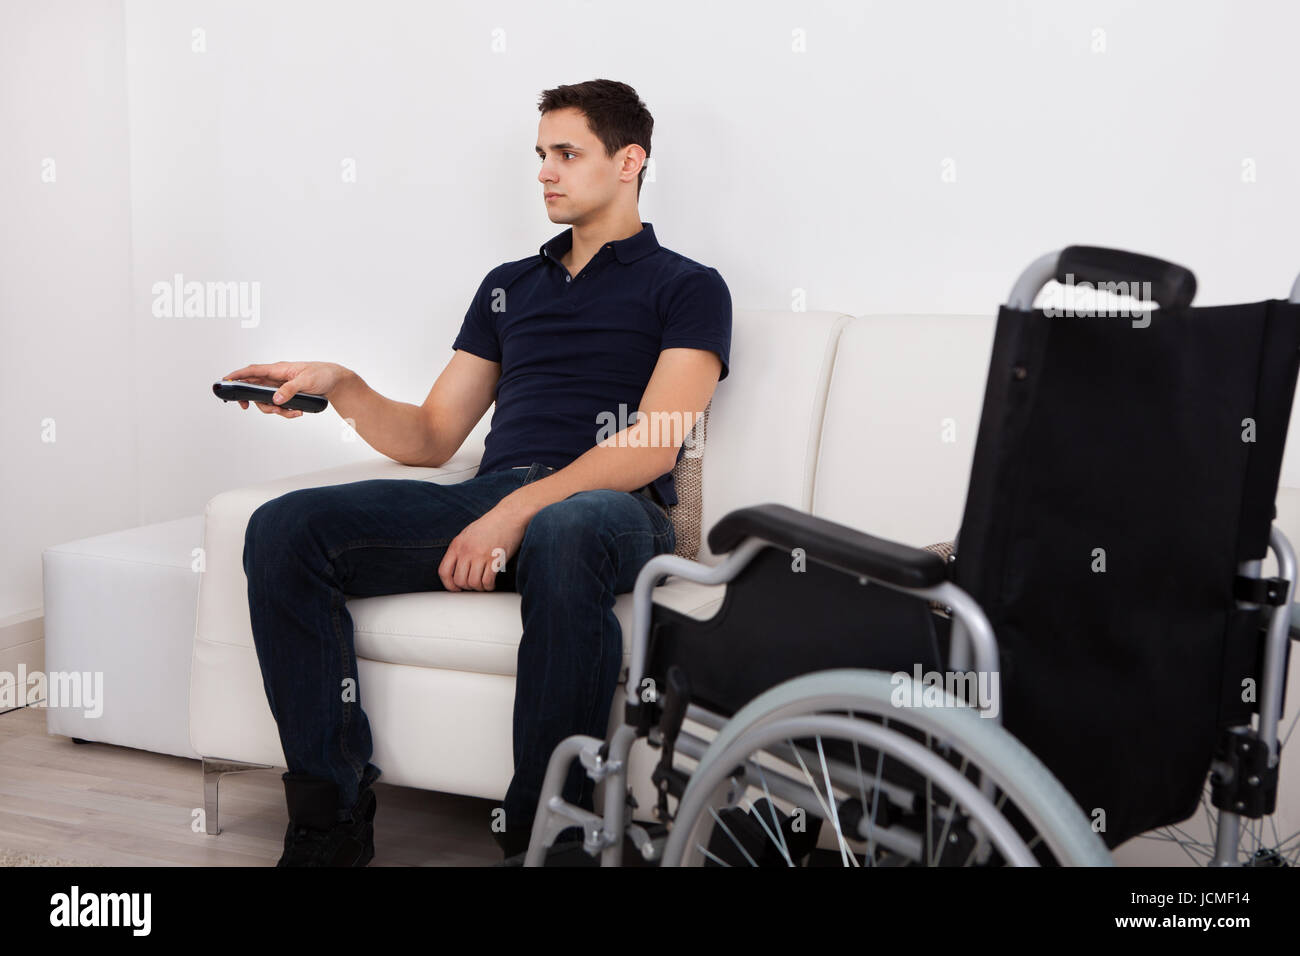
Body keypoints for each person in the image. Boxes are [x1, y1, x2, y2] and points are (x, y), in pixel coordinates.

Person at [228, 78, 731, 865]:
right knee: (284, 529)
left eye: (567, 153)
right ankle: (330, 821)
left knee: (565, 526)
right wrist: (346, 388)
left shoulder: (689, 286)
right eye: (540, 155)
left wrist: (516, 512)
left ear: (629, 160)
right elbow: (432, 436)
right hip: (496, 499)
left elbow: (654, 443)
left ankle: (555, 835)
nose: (545, 173)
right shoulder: (509, 287)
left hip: (613, 509)